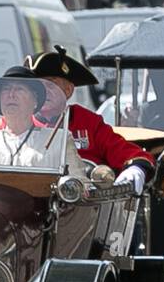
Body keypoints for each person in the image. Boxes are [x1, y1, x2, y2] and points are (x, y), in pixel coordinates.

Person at [26, 47, 155, 193]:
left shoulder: (87, 122)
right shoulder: (18, 121)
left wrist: (135, 168)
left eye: (50, 84)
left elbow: (129, 153)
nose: (43, 91)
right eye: (37, 85)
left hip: (84, 207)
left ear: (68, 90)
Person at [0, 67, 80, 169]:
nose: (11, 95)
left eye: (19, 89)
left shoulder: (59, 140)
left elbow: (77, 184)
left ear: (35, 99)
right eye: (6, 89)